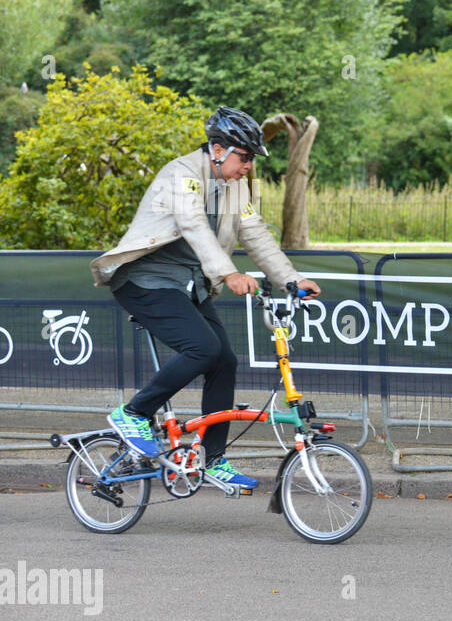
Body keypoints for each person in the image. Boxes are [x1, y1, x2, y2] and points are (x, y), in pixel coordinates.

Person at [90, 106, 321, 489]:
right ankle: (134, 413)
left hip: (187, 286)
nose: (248, 166)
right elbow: (194, 225)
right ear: (217, 149)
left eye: (251, 159)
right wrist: (228, 273)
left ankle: (213, 458)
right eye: (243, 157)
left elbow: (256, 235)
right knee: (202, 348)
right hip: (144, 281)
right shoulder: (182, 175)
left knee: (224, 360)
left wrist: (291, 280)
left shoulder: (235, 187)